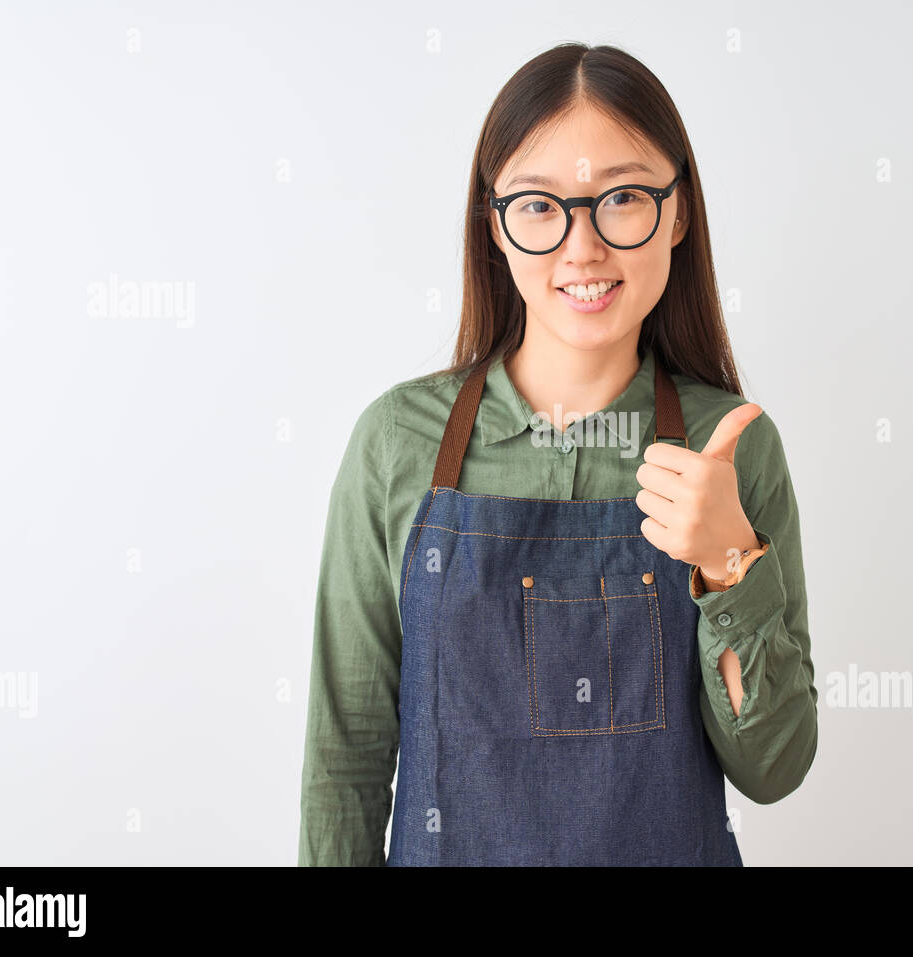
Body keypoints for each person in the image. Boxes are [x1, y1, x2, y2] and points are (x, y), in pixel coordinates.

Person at [298, 42, 818, 866]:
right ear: (493, 224)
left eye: (622, 197)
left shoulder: (736, 452)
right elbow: (346, 758)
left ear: (677, 213)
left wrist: (728, 561)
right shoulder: (397, 445)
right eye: (540, 205)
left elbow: (774, 766)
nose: (582, 248)